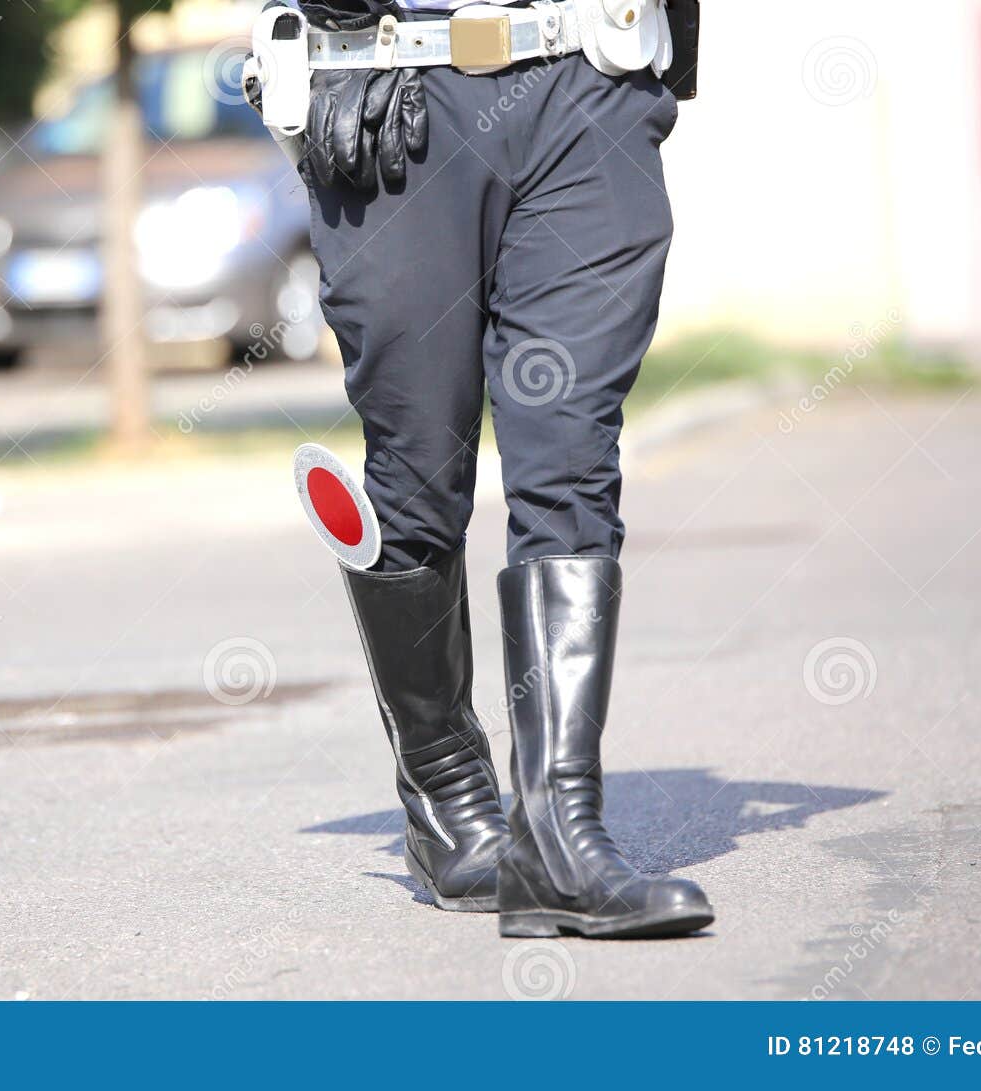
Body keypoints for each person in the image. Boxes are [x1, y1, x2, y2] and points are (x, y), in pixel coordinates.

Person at [263, 0, 711, 938]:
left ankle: (558, 829)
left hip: (590, 83)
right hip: (399, 93)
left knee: (570, 448)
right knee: (419, 476)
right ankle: (449, 798)